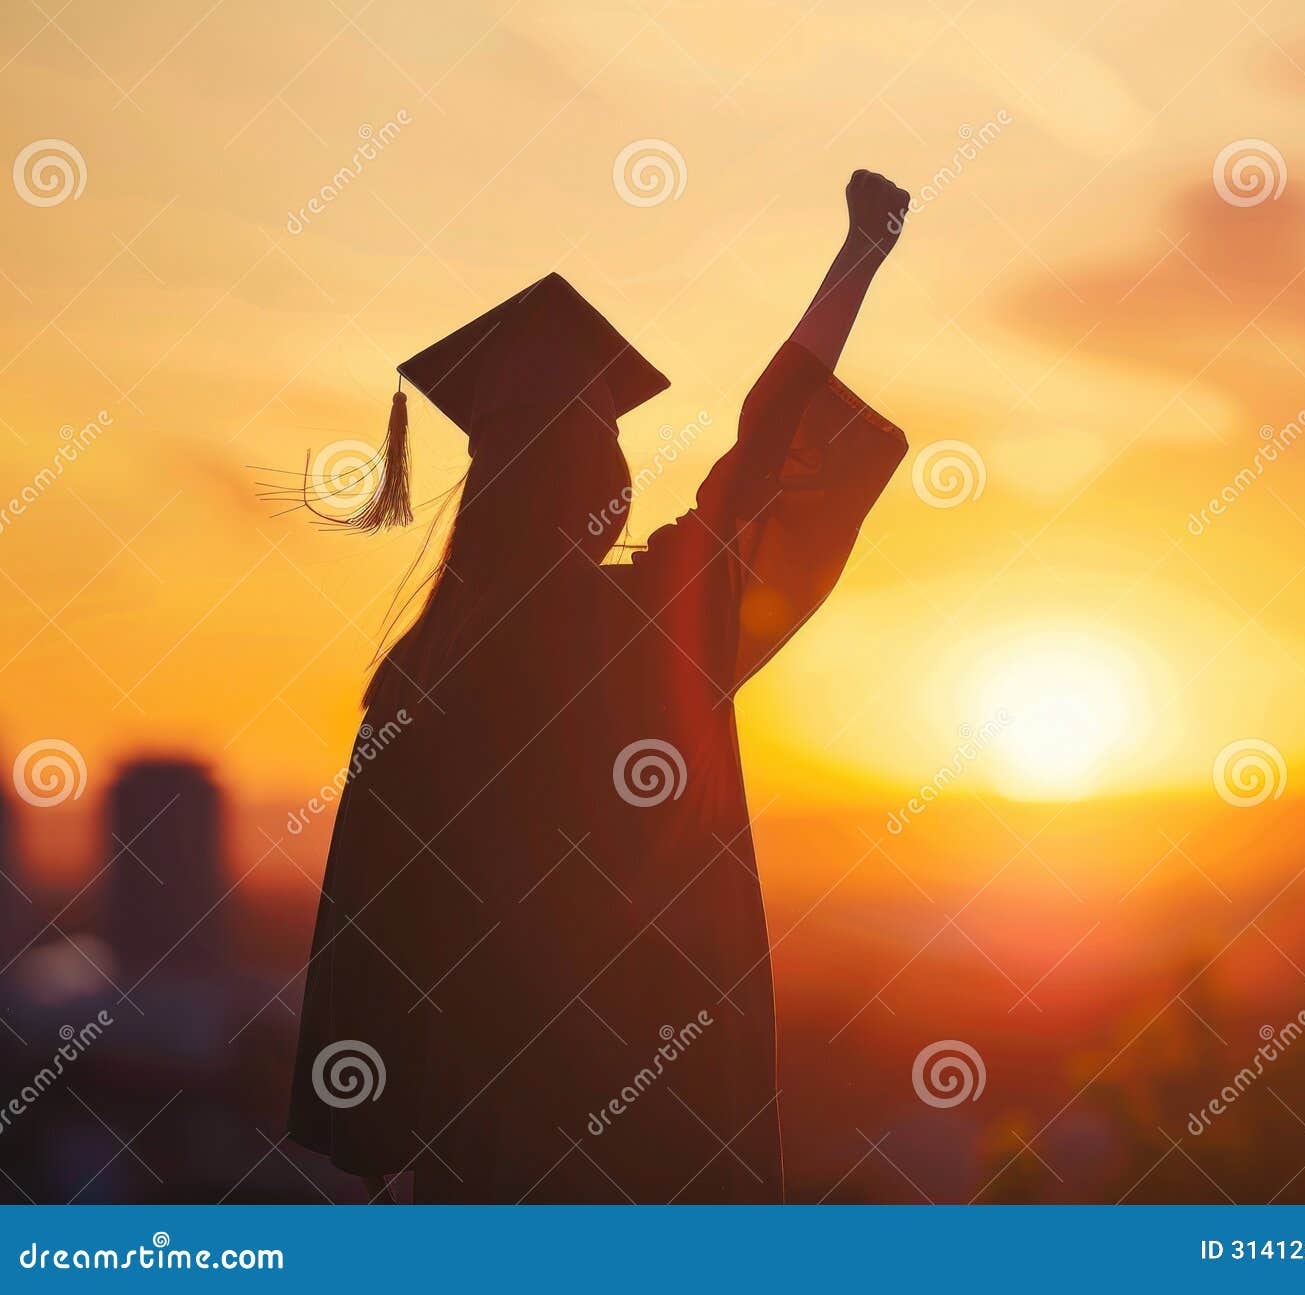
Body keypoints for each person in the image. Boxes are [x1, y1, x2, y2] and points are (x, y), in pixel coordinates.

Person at [286, 170, 911, 1203]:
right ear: (594, 478)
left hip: (478, 1151)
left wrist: (384, 1143)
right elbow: (757, 463)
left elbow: (369, 935)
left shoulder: (416, 676)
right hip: (654, 1140)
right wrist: (856, 259)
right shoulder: (643, 626)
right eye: (603, 445)